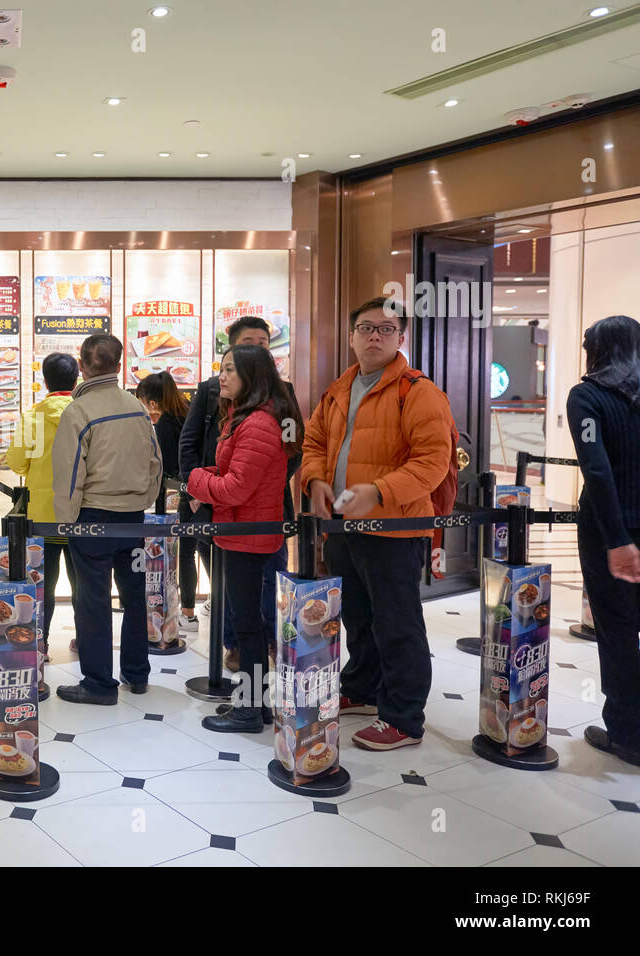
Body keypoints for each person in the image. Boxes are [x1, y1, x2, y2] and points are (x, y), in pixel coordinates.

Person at [301, 297, 453, 751]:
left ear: (401, 338)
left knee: (397, 622)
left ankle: (403, 718)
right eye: (366, 328)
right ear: (350, 337)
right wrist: (313, 481)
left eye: (386, 330)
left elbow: (433, 461)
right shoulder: (339, 388)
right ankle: (363, 688)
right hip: (344, 527)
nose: (374, 336)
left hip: (396, 528)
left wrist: (381, 491)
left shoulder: (418, 391)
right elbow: (312, 441)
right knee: (358, 617)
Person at [188, 346, 302, 732]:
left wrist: (195, 481)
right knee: (248, 621)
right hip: (242, 532)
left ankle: (250, 710)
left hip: (246, 535)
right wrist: (209, 474)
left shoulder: (257, 423)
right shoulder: (248, 417)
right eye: (221, 368)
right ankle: (255, 702)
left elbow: (236, 488)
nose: (222, 377)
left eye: (231, 370)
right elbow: (234, 472)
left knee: (248, 624)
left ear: (253, 375)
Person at [51, 333, 162, 705]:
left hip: (92, 518)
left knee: (93, 599)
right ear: (119, 366)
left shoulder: (77, 411)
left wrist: (67, 521)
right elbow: (155, 464)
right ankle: (137, 674)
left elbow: (70, 473)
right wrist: (140, 502)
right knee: (134, 596)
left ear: (81, 365)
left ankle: (99, 683)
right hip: (132, 518)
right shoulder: (136, 407)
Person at [567, 314, 640, 766]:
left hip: (609, 535)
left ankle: (628, 735)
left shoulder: (587, 396)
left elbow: (597, 470)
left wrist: (617, 540)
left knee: (617, 631)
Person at [7, 352, 79, 659]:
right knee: (84, 587)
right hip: (80, 516)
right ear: (77, 380)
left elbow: (17, 462)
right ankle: (85, 641)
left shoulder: (34, 416)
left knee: (41, 588)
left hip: (41, 518)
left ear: (45, 380)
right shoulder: (85, 414)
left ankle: (40, 644)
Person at [135, 370, 193, 632]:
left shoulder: (165, 425)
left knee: (187, 552)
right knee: (204, 549)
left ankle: (185, 613)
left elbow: (166, 465)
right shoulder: (189, 411)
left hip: (185, 493)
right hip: (203, 490)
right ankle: (206, 607)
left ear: (153, 403)